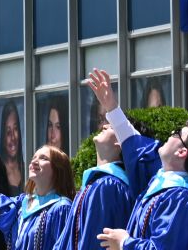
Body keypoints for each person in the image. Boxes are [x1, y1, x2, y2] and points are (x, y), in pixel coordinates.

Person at [87, 68, 188, 250]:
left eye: (176, 134)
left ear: (182, 153)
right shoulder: (163, 179)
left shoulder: (182, 198)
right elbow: (137, 145)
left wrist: (125, 243)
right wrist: (111, 106)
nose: (170, 134)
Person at [54, 75, 143, 250]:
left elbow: (92, 242)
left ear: (121, 143)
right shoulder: (99, 183)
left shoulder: (108, 186)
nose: (103, 126)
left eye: (110, 126)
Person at [0, 103, 24, 196]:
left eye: (15, 129)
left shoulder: (27, 168)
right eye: (8, 132)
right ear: (2, 136)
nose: (13, 137)